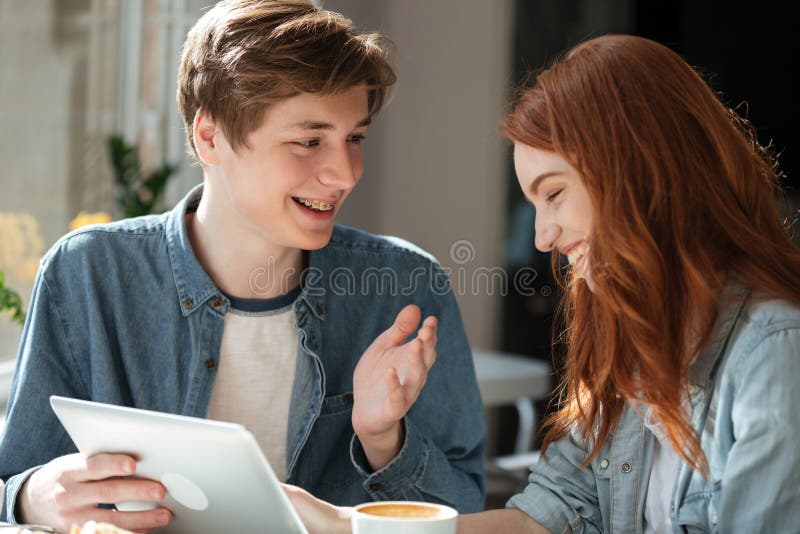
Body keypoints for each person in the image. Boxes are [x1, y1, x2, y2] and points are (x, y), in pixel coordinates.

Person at [0, 1, 487, 531]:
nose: (346, 173)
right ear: (209, 137)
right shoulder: (86, 276)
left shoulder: (405, 287)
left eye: (354, 138)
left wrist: (382, 440)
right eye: (309, 141)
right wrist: (31, 497)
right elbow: (14, 481)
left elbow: (465, 512)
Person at [286, 34, 800, 533]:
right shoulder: (637, 342)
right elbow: (541, 520)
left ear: (640, 171)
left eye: (553, 194)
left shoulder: (775, 353)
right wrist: (345, 525)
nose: (542, 236)